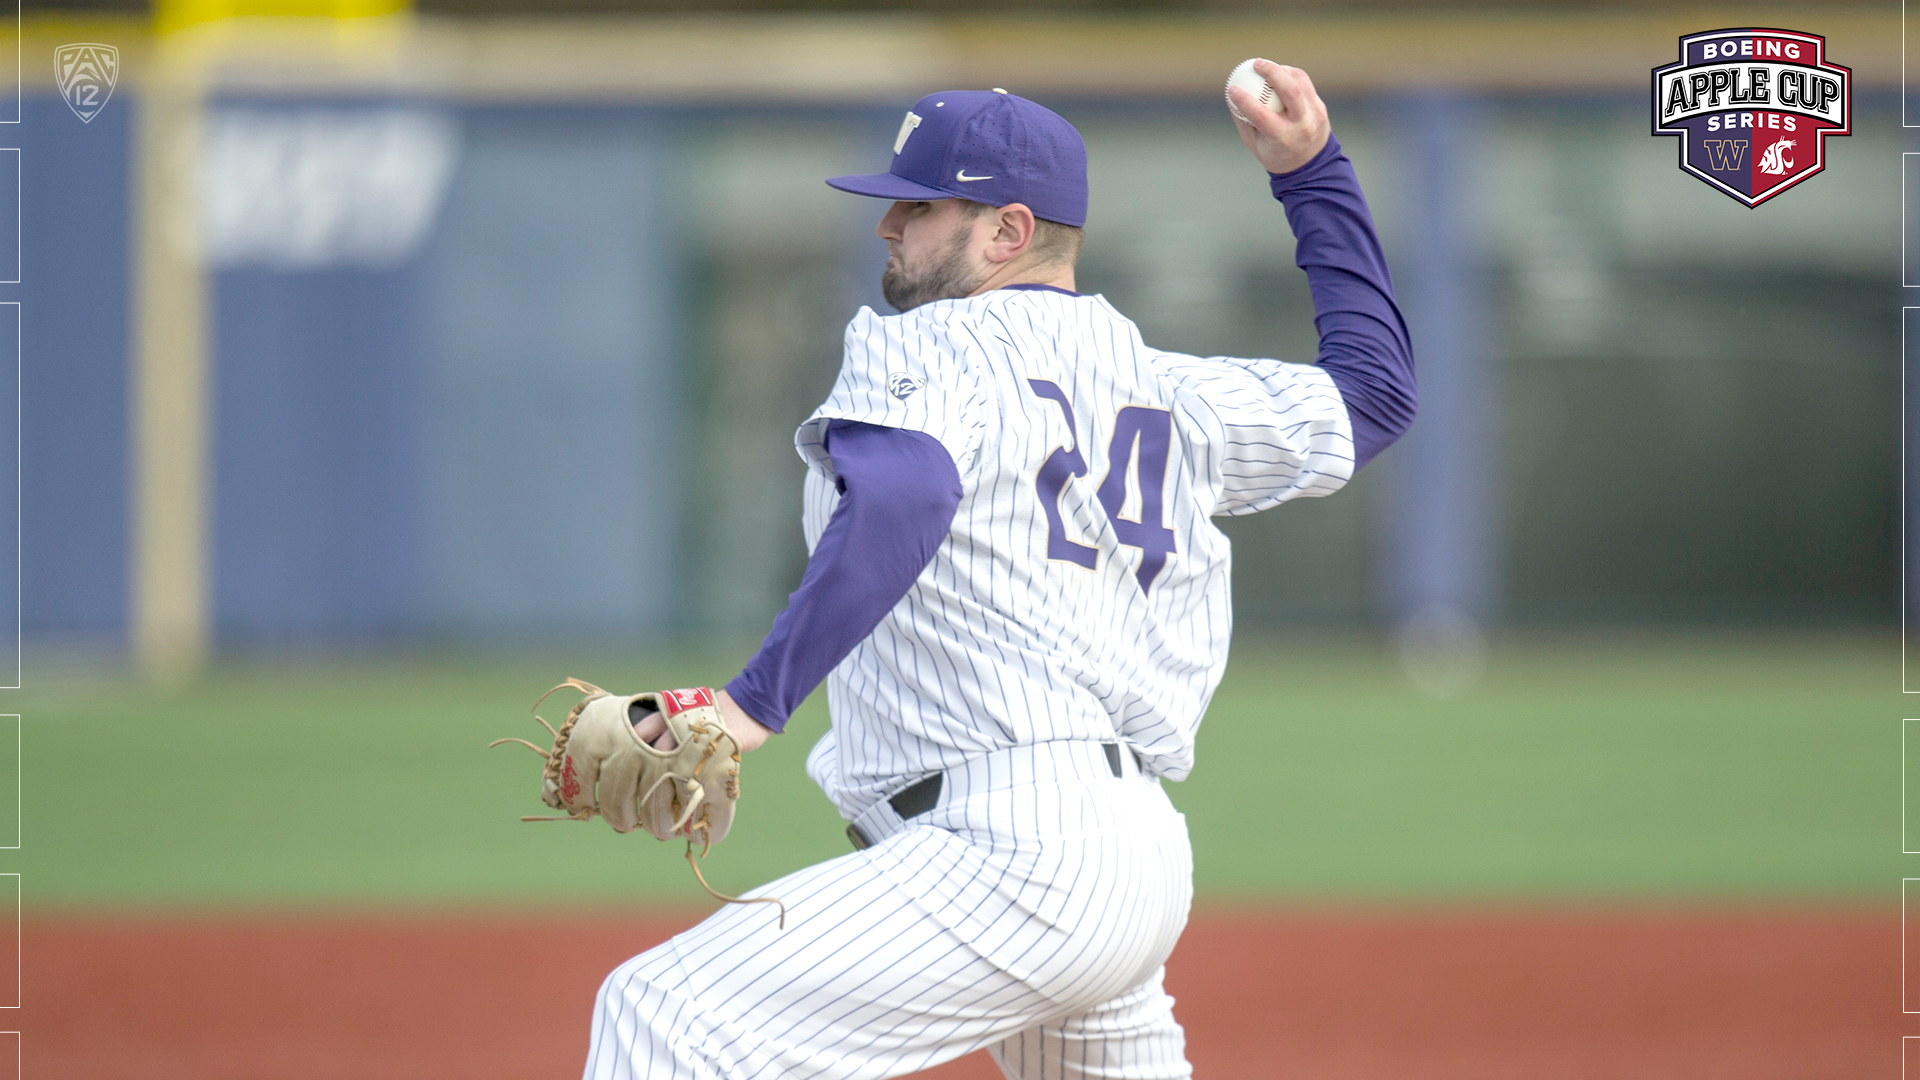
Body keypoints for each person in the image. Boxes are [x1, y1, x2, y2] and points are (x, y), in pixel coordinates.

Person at [584, 62, 1414, 1080]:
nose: (888, 227)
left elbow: (906, 495)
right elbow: (1372, 396)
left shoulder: (937, 341)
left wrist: (750, 704)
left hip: (1010, 853)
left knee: (664, 1017)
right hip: (1127, 859)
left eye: (920, 207)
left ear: (1008, 232)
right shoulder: (1165, 389)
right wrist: (1313, 174)